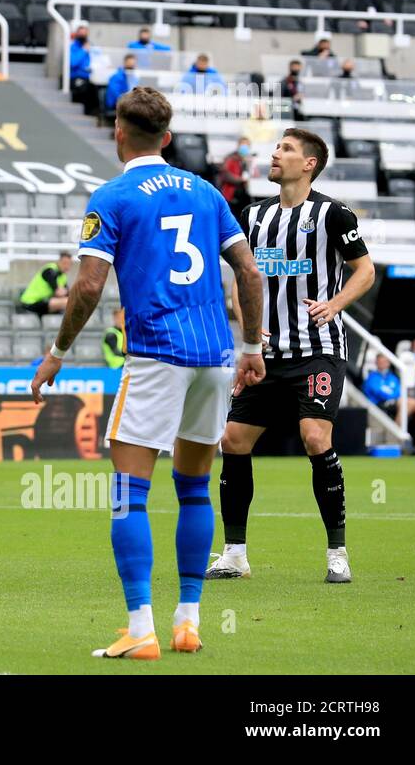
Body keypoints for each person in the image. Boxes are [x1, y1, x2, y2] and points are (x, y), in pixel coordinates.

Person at [31, 85, 266, 660]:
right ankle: (188, 622)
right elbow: (250, 274)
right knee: (193, 490)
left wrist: (58, 351)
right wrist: (252, 346)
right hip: (214, 355)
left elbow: (88, 285)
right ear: (166, 137)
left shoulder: (113, 196)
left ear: (118, 131)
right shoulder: (208, 192)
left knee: (127, 496)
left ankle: (141, 629)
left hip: (157, 354)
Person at [207, 127, 376, 584]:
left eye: (285, 149)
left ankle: (337, 553)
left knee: (315, 438)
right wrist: (248, 326)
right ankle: (235, 554)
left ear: (309, 164)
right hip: (266, 352)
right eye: (276, 147)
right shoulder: (253, 215)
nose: (274, 155)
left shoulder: (333, 214)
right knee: (233, 440)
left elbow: (365, 271)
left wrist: (335, 304)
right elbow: (242, 277)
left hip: (317, 350)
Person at [217, 137, 253, 220]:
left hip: (242, 196)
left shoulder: (247, 159)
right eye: (243, 145)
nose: (245, 147)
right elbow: (225, 175)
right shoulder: (231, 158)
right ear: (238, 146)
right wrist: (240, 179)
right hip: (230, 195)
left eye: (247, 145)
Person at [362, 353, 405, 420]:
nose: (383, 365)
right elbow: (380, 393)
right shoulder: (372, 378)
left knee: (410, 404)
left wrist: (393, 397)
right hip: (378, 405)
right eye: (380, 362)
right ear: (376, 363)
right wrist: (393, 396)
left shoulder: (393, 377)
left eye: (385, 362)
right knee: (404, 404)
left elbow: (398, 392)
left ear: (389, 363)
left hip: (393, 403)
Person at [69, 29, 100, 118]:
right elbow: (73, 62)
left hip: (89, 77)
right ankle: (85, 114)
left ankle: (94, 114)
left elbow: (97, 61)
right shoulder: (72, 47)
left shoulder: (91, 47)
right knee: (86, 88)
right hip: (75, 77)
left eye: (85, 34)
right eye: (81, 33)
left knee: (96, 88)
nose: (83, 35)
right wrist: (83, 50)